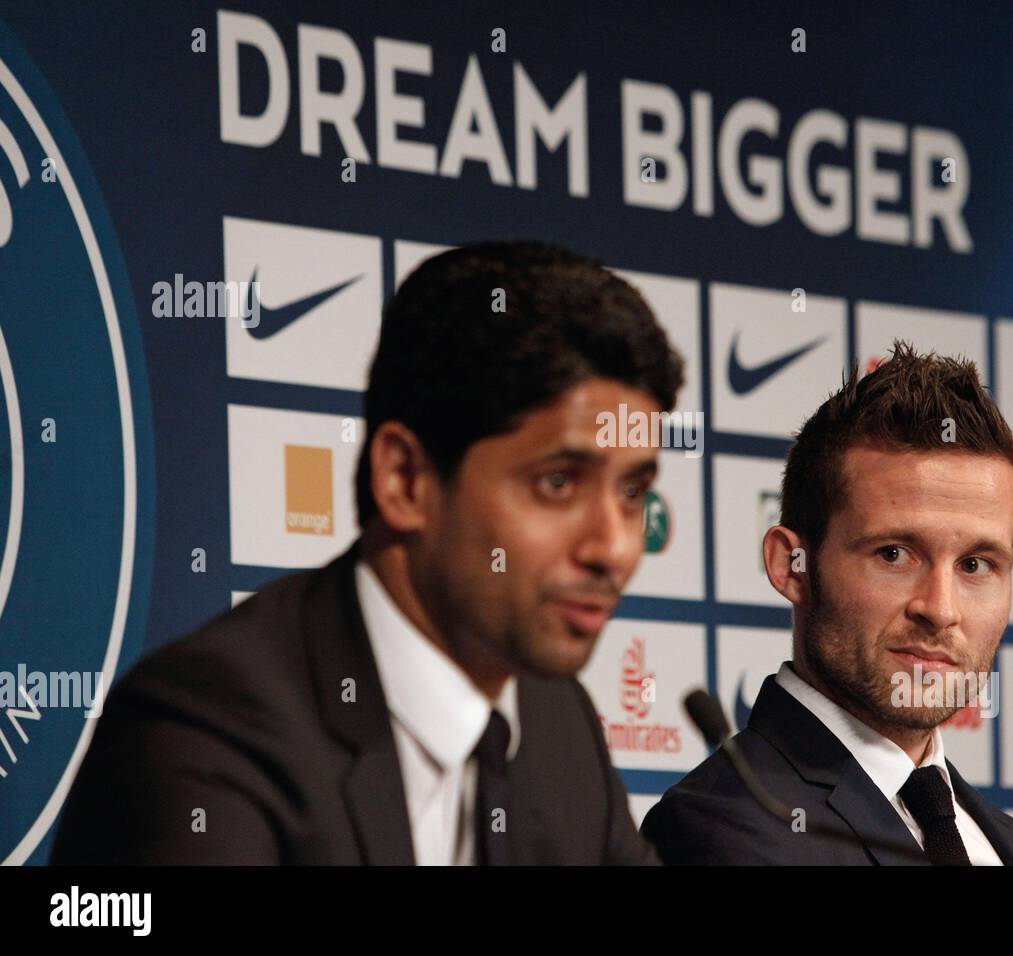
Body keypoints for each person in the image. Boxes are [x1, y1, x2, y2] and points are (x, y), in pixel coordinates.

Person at [51, 241, 683, 864]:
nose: (616, 548)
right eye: (558, 483)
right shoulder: (207, 732)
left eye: (632, 491)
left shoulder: (555, 724)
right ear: (405, 480)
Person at [642, 341, 1013, 865]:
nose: (940, 609)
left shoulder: (1008, 844)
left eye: (975, 565)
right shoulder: (718, 829)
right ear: (792, 566)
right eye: (895, 554)